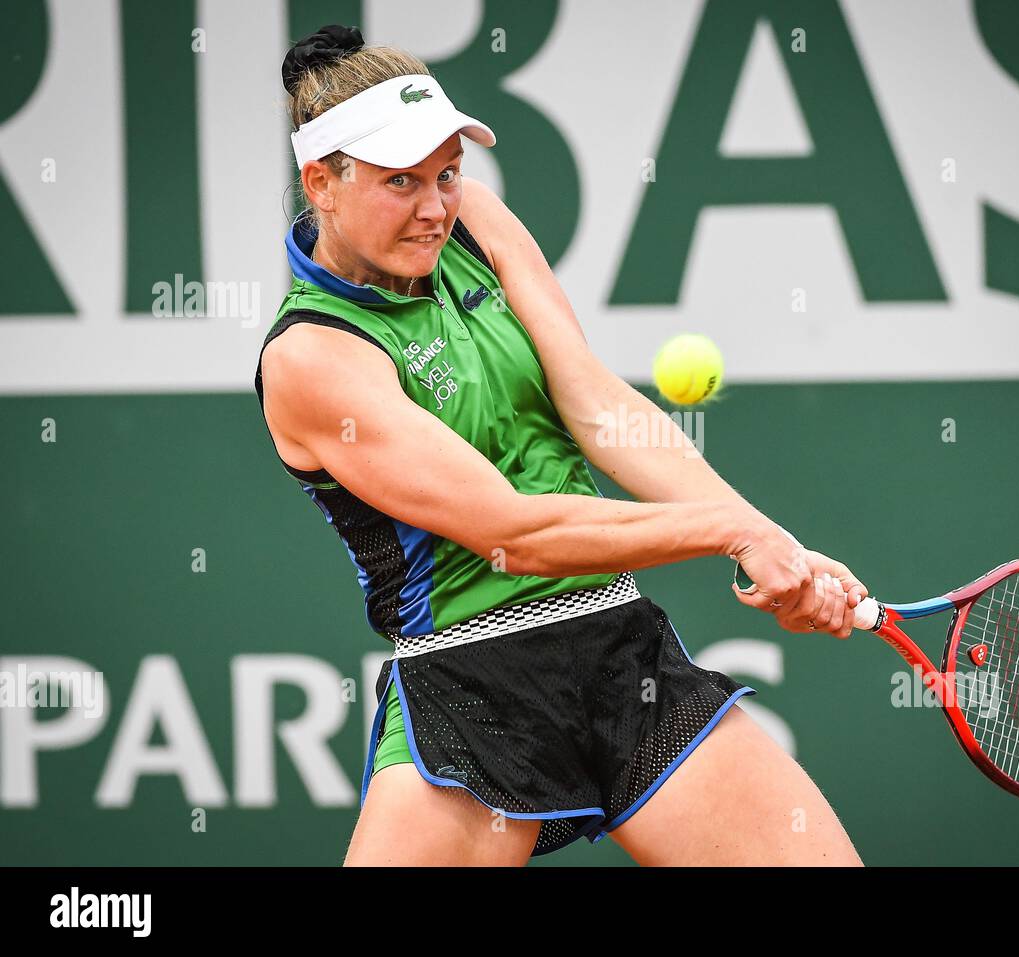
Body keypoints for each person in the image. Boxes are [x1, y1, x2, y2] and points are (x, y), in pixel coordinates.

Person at [253, 25, 867, 866]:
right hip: (468, 686)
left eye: (446, 174)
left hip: (617, 646)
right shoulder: (310, 357)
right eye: (401, 182)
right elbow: (517, 533)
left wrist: (773, 538)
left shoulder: (477, 222)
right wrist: (733, 534)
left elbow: (596, 404)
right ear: (321, 182)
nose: (434, 207)